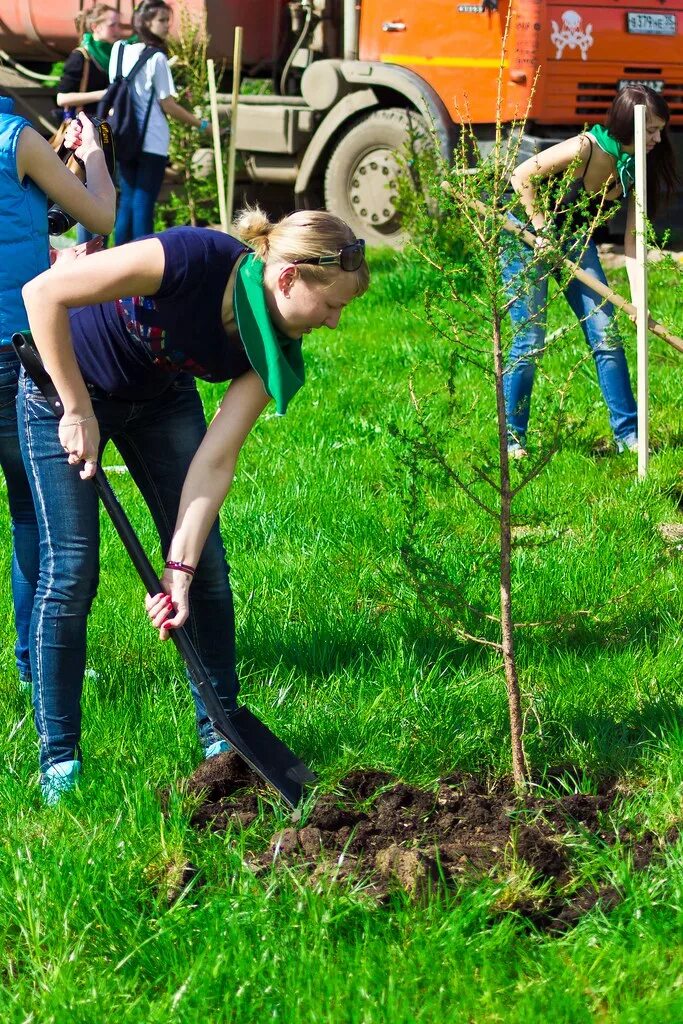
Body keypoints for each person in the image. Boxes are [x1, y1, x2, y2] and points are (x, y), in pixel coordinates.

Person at [19, 208, 369, 804]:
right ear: (287, 279)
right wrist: (78, 410)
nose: (335, 323)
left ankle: (221, 736)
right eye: (331, 305)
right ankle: (60, 760)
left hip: (158, 399)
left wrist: (177, 570)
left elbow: (214, 463)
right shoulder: (190, 258)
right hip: (65, 384)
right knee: (72, 570)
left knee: (205, 566)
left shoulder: (276, 351)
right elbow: (43, 293)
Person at [0, 98, 115, 697]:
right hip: (13, 354)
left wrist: (45, 254)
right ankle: (31, 664)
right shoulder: (14, 139)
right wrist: (91, 154)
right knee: (31, 514)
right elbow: (99, 215)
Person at [501, 85, 679, 456]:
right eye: (650, 130)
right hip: (525, 238)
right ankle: (513, 440)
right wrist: (543, 229)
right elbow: (521, 176)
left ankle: (628, 436)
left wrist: (639, 298)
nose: (657, 138)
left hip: (575, 242)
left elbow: (633, 241)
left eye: (660, 130)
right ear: (629, 124)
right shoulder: (585, 147)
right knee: (529, 340)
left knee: (606, 334)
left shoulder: (635, 169)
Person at [108, 0, 212, 245]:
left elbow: (114, 87)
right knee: (144, 202)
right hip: (152, 140)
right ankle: (145, 261)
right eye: (162, 20)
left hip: (123, 134)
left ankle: (118, 259)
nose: (167, 26)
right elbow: (168, 105)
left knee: (127, 201)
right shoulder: (157, 58)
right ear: (146, 22)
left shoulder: (119, 50)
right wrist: (201, 124)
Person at [55, 4, 123, 246]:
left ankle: (98, 250)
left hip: (102, 135)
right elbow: (62, 98)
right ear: (95, 27)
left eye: (119, 24)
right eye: (112, 24)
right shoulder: (80, 56)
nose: (118, 29)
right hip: (80, 136)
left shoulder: (112, 57)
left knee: (102, 194)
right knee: (87, 197)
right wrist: (102, 94)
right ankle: (87, 253)